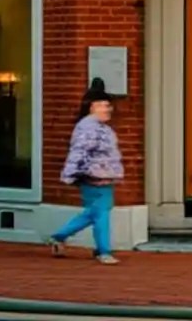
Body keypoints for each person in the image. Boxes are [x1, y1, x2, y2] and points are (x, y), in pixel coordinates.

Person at [47, 78, 124, 264]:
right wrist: (73, 173)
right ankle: (103, 251)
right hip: (94, 178)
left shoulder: (98, 127)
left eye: (108, 105)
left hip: (102, 178)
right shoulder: (89, 128)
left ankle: (59, 236)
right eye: (103, 105)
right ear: (92, 107)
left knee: (93, 212)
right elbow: (79, 152)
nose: (108, 109)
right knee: (101, 214)